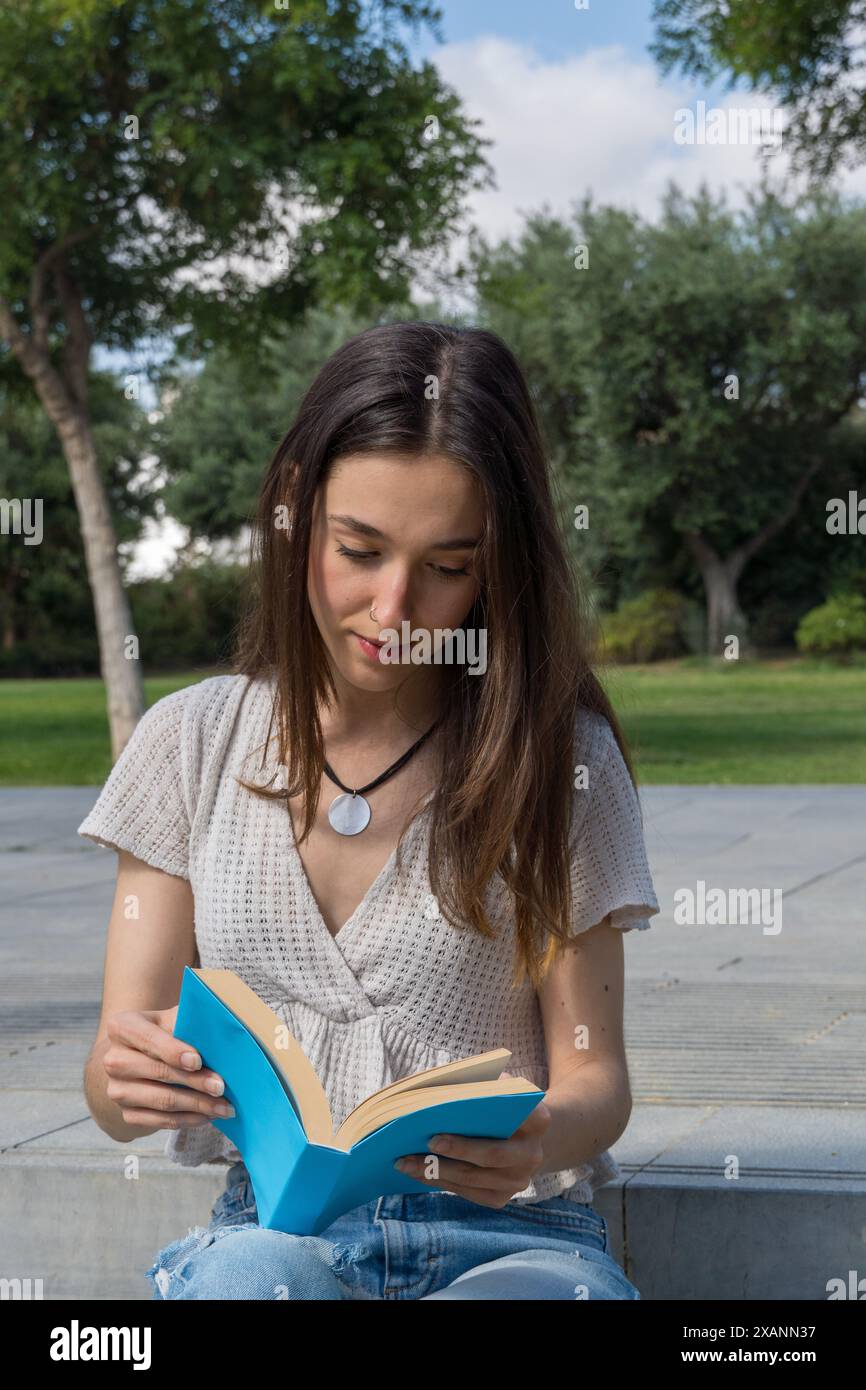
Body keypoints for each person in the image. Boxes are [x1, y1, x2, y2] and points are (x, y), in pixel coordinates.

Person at [79, 320, 660, 1301]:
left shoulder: (558, 761)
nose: (392, 608)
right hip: (275, 1234)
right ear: (295, 514)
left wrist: (538, 1137)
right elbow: (112, 1075)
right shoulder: (188, 744)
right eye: (358, 549)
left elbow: (594, 1081)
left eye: (447, 566)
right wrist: (129, 1080)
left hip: (514, 1238)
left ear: (499, 567)